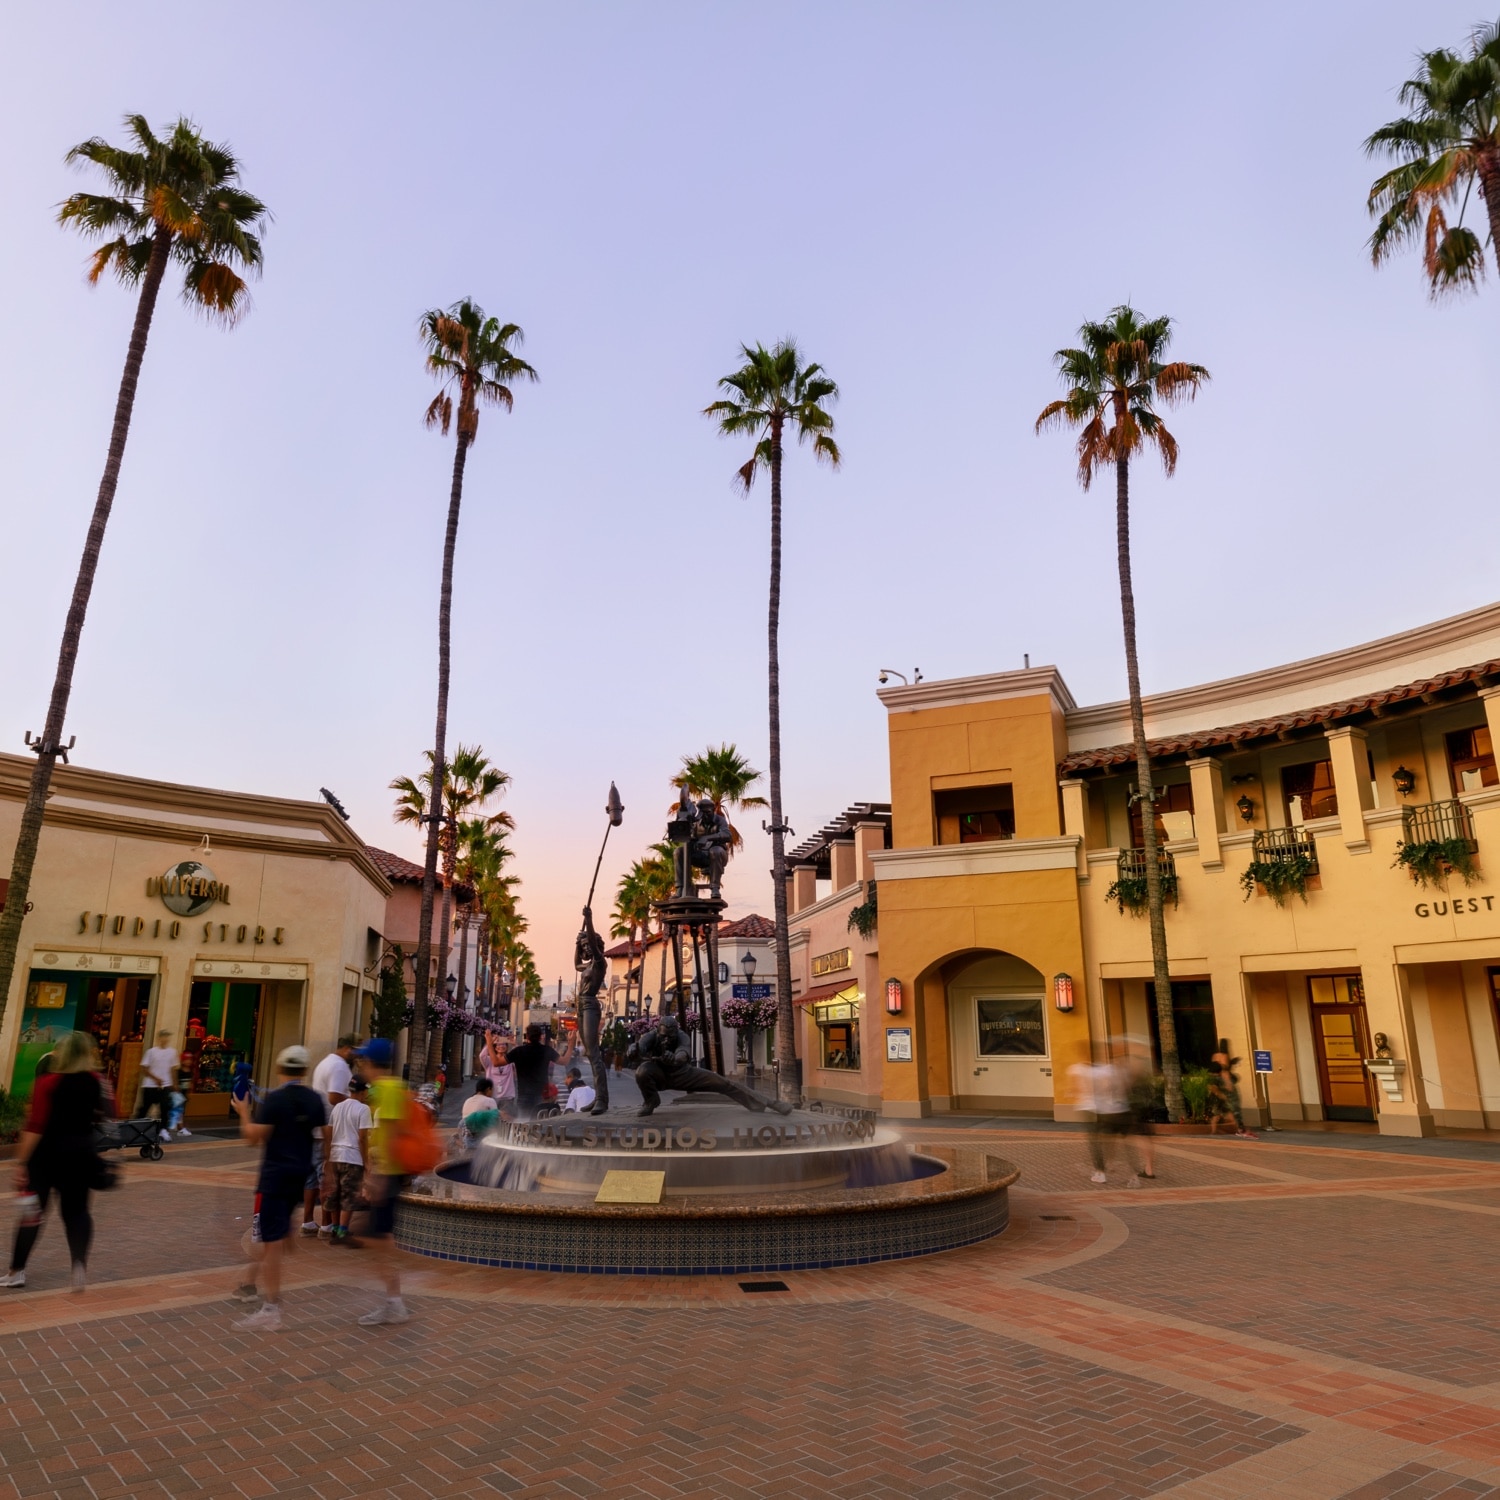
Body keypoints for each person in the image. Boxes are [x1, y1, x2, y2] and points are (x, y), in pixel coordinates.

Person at [230, 1045, 328, 1332]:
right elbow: (326, 1135)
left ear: (279, 1068)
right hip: (299, 1176)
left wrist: (244, 1112)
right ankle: (256, 1287)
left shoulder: (275, 1100)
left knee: (270, 1243)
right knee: (275, 1237)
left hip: (274, 1179)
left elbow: (252, 1138)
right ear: (305, 1070)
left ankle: (270, 1308)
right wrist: (329, 1171)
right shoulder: (314, 1100)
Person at [2, 1038, 109, 1292]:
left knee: (32, 1214)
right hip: (81, 1154)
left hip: (45, 1157)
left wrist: (21, 1162)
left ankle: (17, 1272)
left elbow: (35, 1125)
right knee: (78, 1212)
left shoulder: (47, 1082)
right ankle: (79, 1266)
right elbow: (107, 1115)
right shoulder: (97, 1082)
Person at [352, 1037, 411, 1326]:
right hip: (391, 1174)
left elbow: (390, 1133)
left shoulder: (386, 1090)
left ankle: (394, 1303)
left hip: (387, 1175)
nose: (360, 1065)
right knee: (378, 1239)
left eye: (362, 1060)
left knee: (376, 1241)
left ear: (372, 1063)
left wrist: (375, 1179)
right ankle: (393, 1301)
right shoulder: (393, 1088)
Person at [305, 1034, 359, 1236]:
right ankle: (327, 1226)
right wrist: (356, 1100)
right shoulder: (339, 1067)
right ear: (346, 1048)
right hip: (329, 1128)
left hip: (318, 1128)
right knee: (326, 1177)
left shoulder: (325, 1062)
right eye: (355, 1050)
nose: (356, 1055)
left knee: (312, 1177)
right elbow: (334, 1096)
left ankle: (308, 1222)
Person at [1069, 1051, 1142, 1188]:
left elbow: (1101, 1088)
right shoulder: (1122, 1072)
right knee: (1126, 1144)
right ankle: (1133, 1175)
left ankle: (1102, 1171)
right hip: (1123, 1111)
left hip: (1108, 1112)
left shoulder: (1105, 1071)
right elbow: (1128, 1087)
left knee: (1099, 1141)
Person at [322, 1074, 372, 1247]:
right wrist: (367, 1162)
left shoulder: (337, 1107)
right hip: (352, 1158)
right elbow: (363, 1138)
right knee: (348, 1196)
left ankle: (336, 1229)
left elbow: (329, 1132)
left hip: (335, 1156)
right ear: (363, 1091)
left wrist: (327, 1158)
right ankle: (343, 1232)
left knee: (335, 1195)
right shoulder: (363, 1109)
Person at [504, 1024, 559, 1120]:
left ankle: (523, 1134)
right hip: (541, 1094)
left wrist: (488, 1041)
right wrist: (571, 1044)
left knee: (523, 1121)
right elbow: (565, 1061)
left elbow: (496, 1062)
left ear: (527, 1036)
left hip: (523, 1094)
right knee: (540, 1121)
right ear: (540, 1037)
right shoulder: (546, 1050)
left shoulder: (519, 1051)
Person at [1209, 1039, 1257, 1139]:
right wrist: (1228, 1084)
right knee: (1235, 1106)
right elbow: (1225, 1071)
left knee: (1220, 1109)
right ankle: (1240, 1128)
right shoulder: (1225, 1056)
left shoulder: (1215, 1056)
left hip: (1215, 1082)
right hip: (1224, 1081)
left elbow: (1214, 1068)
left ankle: (1214, 1131)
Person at [140, 1029, 179, 1140]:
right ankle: (138, 1128)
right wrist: (155, 1078)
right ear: (159, 1038)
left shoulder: (172, 1052)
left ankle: (163, 1130)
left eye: (167, 1037)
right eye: (163, 1037)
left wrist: (175, 1083)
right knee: (145, 1108)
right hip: (150, 1085)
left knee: (165, 1108)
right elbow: (144, 1068)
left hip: (166, 1085)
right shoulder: (151, 1052)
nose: (165, 1039)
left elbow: (173, 1069)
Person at [480, 1030, 517, 1119]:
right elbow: (482, 1056)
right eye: (498, 1044)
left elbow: (520, 1057)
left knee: (506, 1120)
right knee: (491, 1120)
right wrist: (489, 1042)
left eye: (504, 1044)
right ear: (495, 1047)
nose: (501, 1046)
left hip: (507, 1097)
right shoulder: (489, 1060)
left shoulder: (510, 1061)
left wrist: (514, 1044)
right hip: (492, 1096)